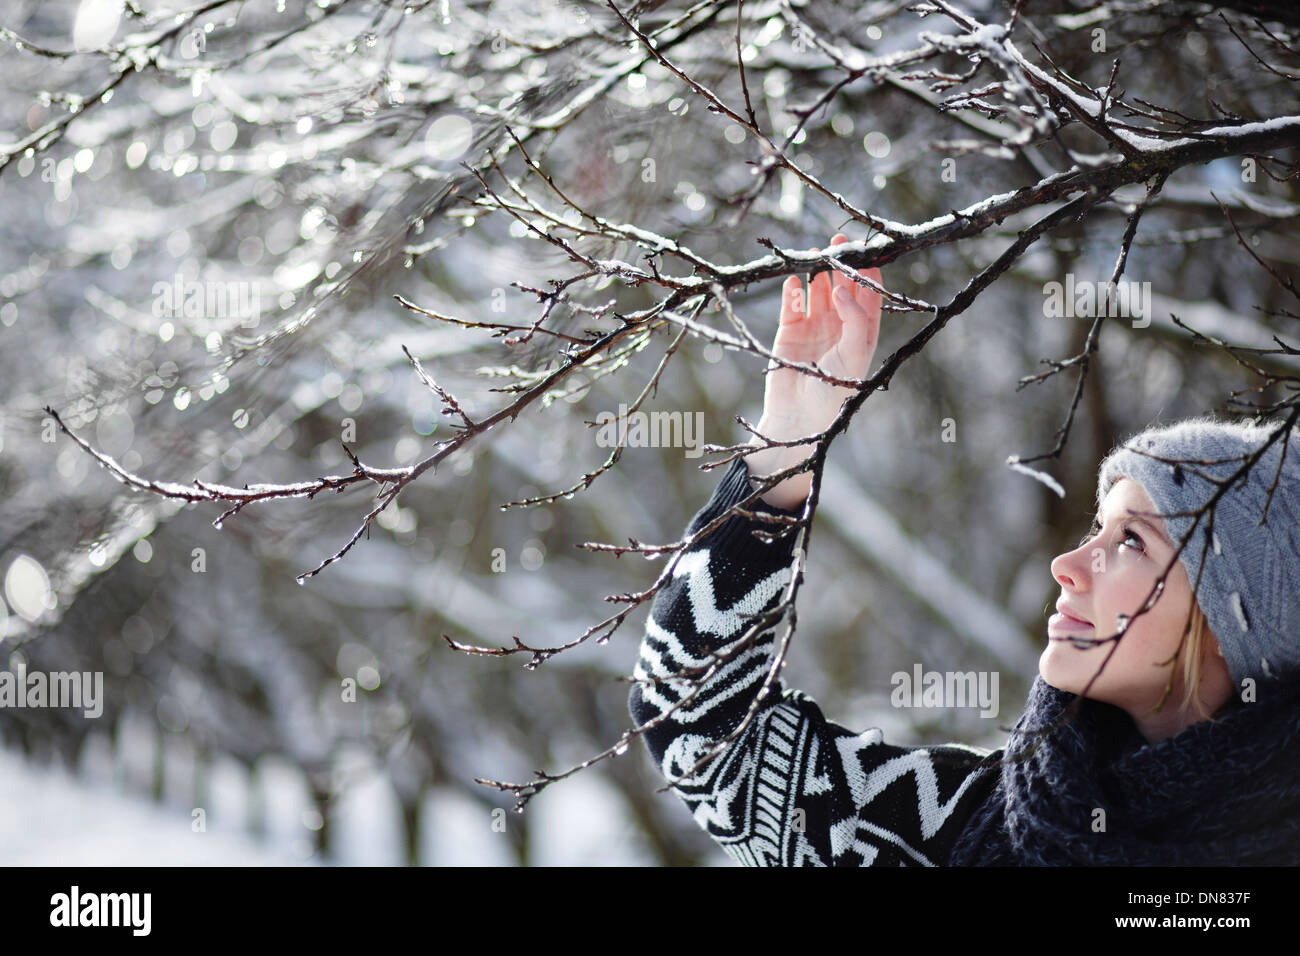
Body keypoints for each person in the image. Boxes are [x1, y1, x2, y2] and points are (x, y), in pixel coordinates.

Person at [627, 234, 1300, 866]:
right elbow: (701, 732)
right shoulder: (966, 823)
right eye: (1097, 528)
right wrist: (782, 459)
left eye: (1130, 541)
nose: (1066, 568)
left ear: (1238, 616)